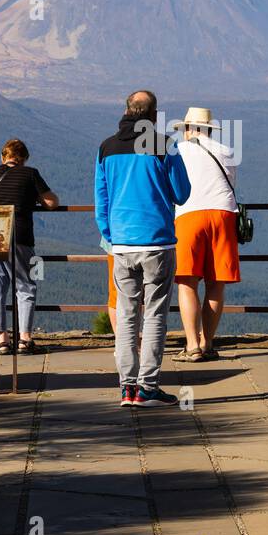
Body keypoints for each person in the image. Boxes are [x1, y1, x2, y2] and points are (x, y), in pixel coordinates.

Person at [95, 90, 191, 408]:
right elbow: (181, 193)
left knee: (126, 315)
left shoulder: (107, 147)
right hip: (157, 242)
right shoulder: (164, 145)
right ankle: (148, 387)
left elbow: (102, 199)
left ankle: (127, 388)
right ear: (153, 115)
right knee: (154, 315)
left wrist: (110, 236)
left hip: (121, 244)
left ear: (125, 110)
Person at [169, 107, 240, 363]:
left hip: (189, 214)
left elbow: (172, 187)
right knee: (215, 282)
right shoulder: (228, 151)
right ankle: (208, 342)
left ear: (188, 129)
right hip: (223, 216)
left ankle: (191, 345)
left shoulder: (177, 150)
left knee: (187, 282)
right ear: (210, 129)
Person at [0, 138, 59, 356]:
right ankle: (25, 339)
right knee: (25, 287)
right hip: (20, 237)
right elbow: (51, 203)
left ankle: (2, 340)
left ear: (3, 157)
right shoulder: (30, 173)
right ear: (23, 159)